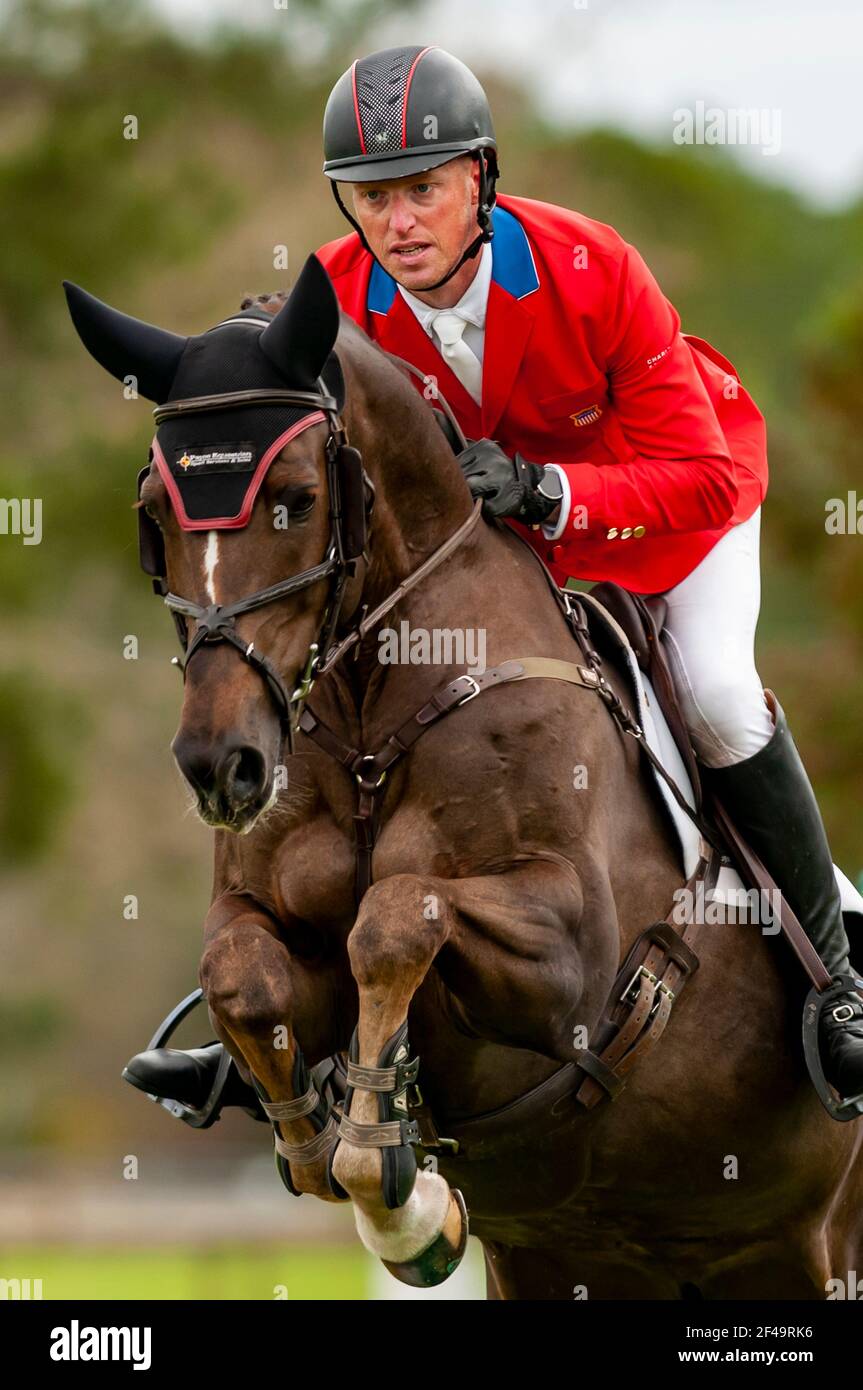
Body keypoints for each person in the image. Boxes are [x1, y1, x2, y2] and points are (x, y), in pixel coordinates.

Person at [125, 44, 863, 1115]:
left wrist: (553, 491)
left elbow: (697, 475)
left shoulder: (589, 266)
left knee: (708, 692)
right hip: (495, 556)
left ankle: (837, 978)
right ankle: (259, 1027)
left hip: (661, 518)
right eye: (371, 199)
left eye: (421, 190)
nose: (398, 225)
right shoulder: (331, 297)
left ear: (479, 177)